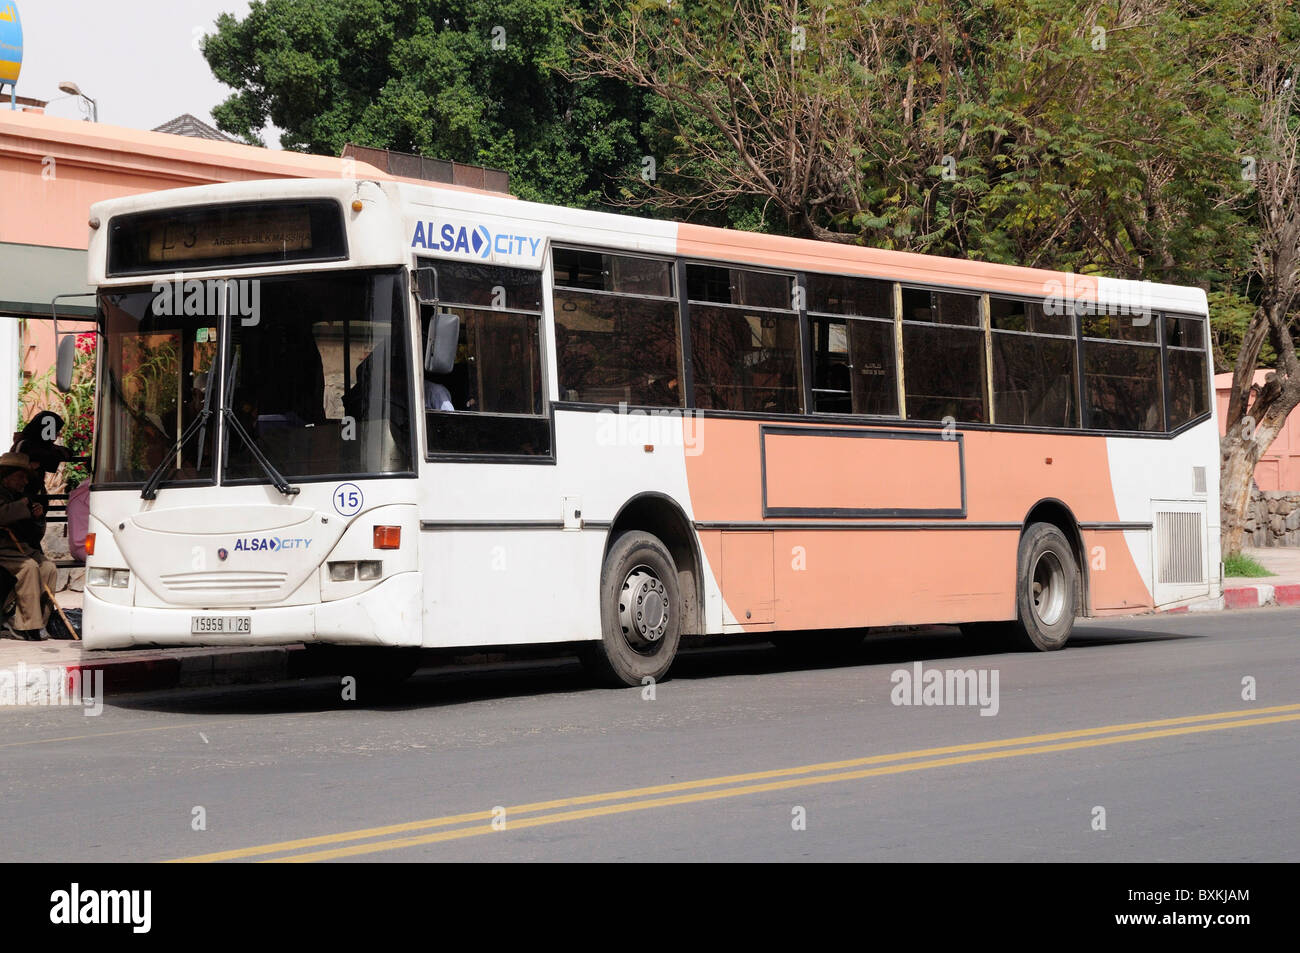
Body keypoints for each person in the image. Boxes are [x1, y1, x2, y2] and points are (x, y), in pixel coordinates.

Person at [0, 452, 57, 641]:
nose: (24, 482)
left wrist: (38, 518)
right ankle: (26, 626)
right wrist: (20, 506)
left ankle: (38, 621)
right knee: (28, 567)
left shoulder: (22, 497)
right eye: (20, 476)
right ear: (6, 475)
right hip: (3, 548)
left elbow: (33, 535)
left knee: (48, 568)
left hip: (20, 548)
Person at [10, 410, 73, 549]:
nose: (57, 435)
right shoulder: (26, 445)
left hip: (31, 508)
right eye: (54, 430)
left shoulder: (37, 445)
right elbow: (51, 454)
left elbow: (64, 453)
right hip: (22, 509)